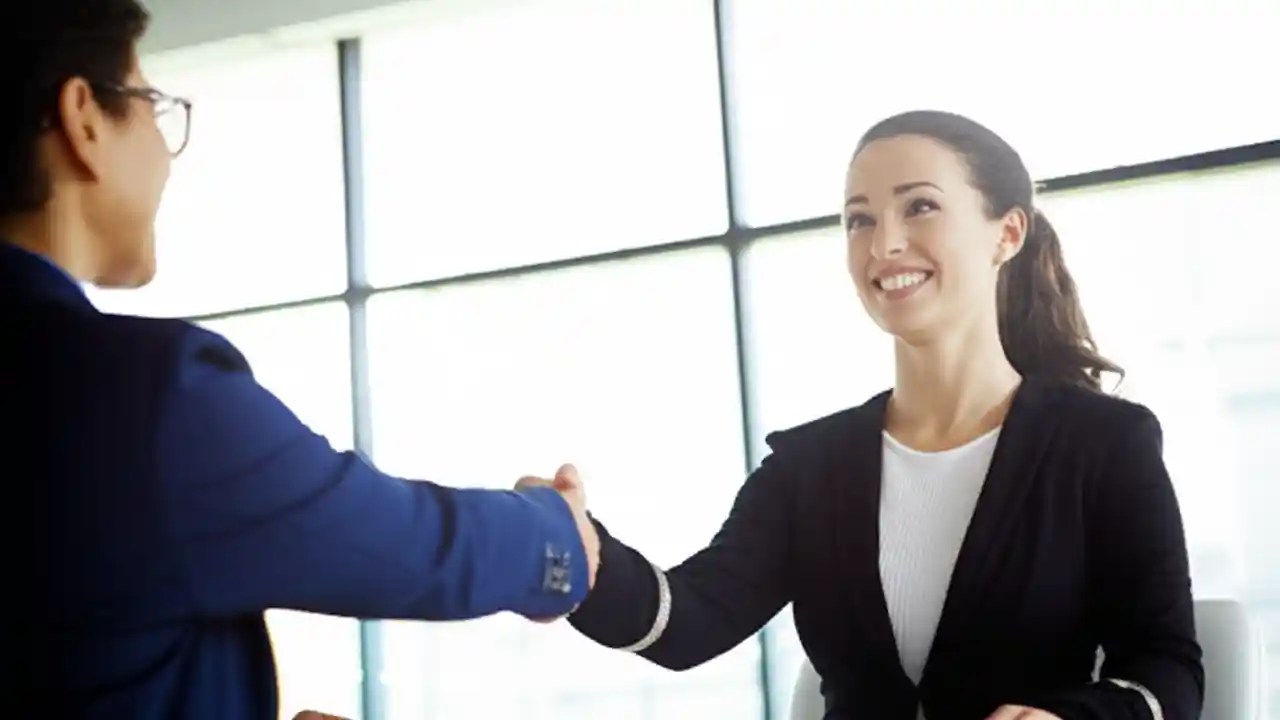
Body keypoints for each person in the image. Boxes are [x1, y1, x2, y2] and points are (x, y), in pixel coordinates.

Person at [1, 2, 598, 718]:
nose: (164, 149)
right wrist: (554, 536)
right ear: (84, 120)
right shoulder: (139, 399)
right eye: (150, 105)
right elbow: (409, 544)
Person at [524, 111, 1204, 719]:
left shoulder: (1103, 445)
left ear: (1007, 233)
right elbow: (689, 622)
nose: (883, 246)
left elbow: (1164, 673)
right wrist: (585, 555)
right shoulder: (808, 469)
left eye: (920, 207)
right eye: (860, 219)